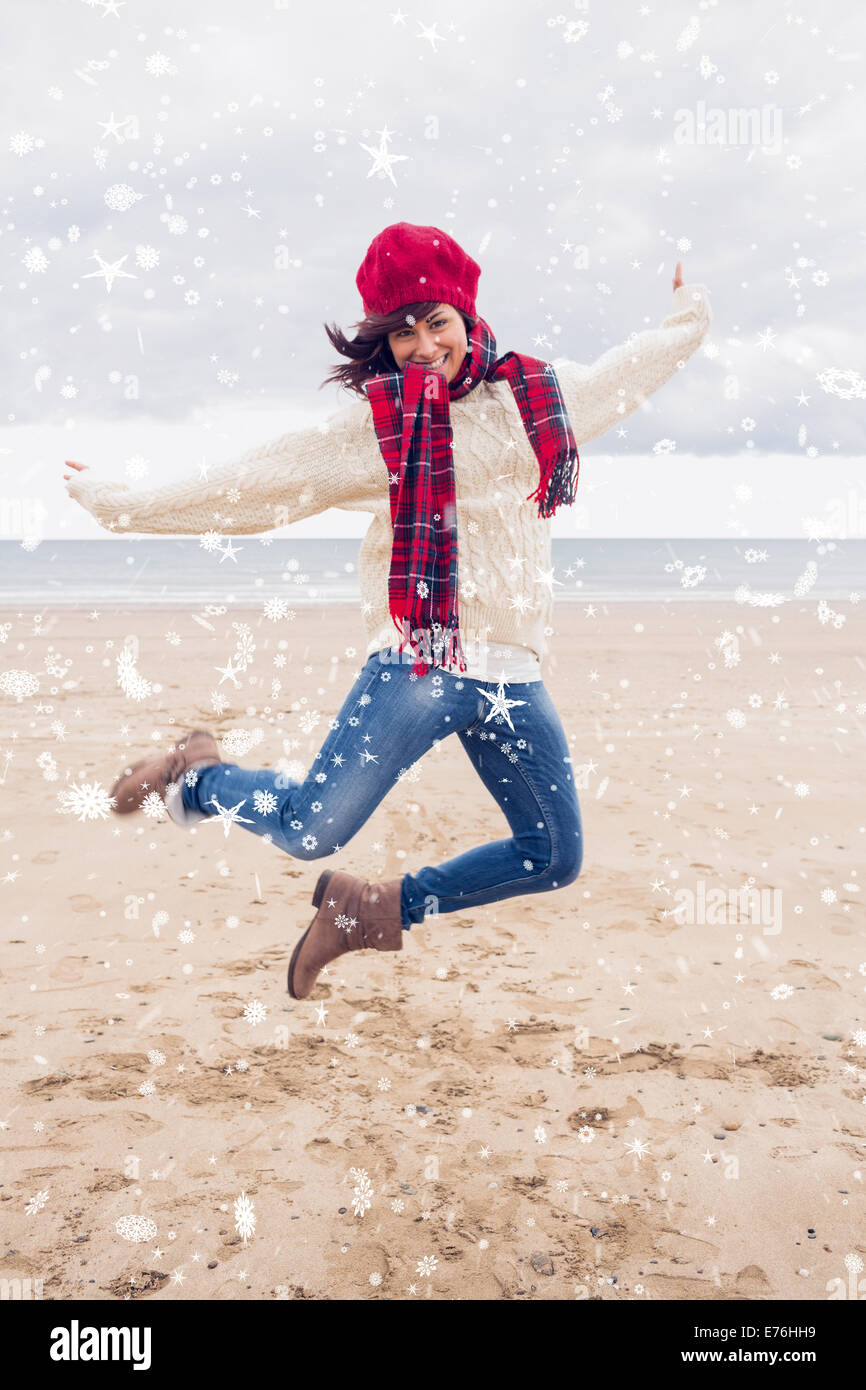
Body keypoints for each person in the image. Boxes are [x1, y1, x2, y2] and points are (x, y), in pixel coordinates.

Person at [64, 222, 712, 1000]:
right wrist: (123, 505)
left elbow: (628, 371)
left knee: (552, 855)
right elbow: (252, 486)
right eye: (402, 333)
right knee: (310, 828)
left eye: (437, 322)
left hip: (513, 670)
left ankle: (368, 910)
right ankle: (196, 776)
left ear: (468, 318)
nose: (423, 346)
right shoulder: (376, 428)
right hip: (422, 663)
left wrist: (689, 314)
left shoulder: (539, 396)